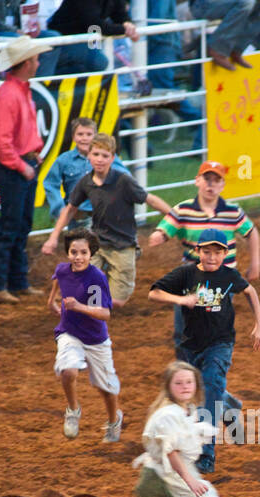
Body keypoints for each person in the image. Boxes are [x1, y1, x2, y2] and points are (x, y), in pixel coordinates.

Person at [148, 229, 260, 474]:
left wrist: (259, 325)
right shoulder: (186, 274)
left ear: (225, 253)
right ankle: (230, 406)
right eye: (207, 252)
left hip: (220, 344)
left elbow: (250, 291)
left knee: (208, 390)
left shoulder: (228, 275)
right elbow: (154, 292)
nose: (212, 258)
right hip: (190, 345)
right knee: (200, 391)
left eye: (217, 253)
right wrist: (180, 301)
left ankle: (206, 453)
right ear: (198, 252)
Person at [132, 361, 241, 497]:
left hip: (166, 477)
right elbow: (170, 450)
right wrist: (190, 480)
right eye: (179, 383)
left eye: (189, 382)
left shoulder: (185, 410)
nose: (185, 386)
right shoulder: (169, 414)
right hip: (162, 481)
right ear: (169, 387)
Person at [41, 133, 173, 307]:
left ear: (113, 158)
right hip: (97, 242)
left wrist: (174, 215)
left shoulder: (123, 181)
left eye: (105, 156)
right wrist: (53, 237)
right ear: (88, 156)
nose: (100, 160)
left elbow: (150, 199)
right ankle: (80, 300)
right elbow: (70, 209)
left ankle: (98, 299)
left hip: (123, 244)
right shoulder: (86, 183)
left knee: (117, 302)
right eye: (96, 154)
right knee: (81, 281)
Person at [150, 159, 260, 351]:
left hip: (223, 276)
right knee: (184, 328)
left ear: (223, 184)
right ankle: (188, 371)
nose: (211, 184)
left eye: (216, 180)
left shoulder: (232, 212)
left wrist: (255, 262)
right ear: (197, 181)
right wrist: (159, 235)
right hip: (192, 276)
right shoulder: (183, 209)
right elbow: (167, 227)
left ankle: (211, 360)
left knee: (217, 326)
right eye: (207, 178)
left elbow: (251, 231)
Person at [0, 37, 50, 304]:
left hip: (22, 164)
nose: (38, 62)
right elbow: (1, 142)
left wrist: (34, 153)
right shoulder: (10, 95)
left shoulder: (18, 91)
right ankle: (0, 283)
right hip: (16, 167)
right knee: (12, 225)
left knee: (19, 224)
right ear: (24, 64)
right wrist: (24, 165)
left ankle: (14, 281)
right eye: (34, 59)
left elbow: (6, 138)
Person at [48, 228, 123, 442]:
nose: (78, 257)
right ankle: (73, 410)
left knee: (106, 389)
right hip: (69, 332)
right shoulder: (63, 270)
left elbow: (104, 313)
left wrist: (78, 306)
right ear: (67, 253)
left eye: (83, 253)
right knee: (68, 371)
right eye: (74, 252)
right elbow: (58, 278)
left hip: (96, 340)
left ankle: (113, 420)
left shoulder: (96, 278)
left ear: (92, 254)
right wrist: (51, 300)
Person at [42, 117, 131, 232]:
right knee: (80, 246)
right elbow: (50, 183)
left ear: (95, 137)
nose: (84, 138)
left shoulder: (105, 156)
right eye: (80, 134)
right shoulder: (64, 160)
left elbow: (125, 176)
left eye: (89, 134)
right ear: (73, 137)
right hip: (77, 216)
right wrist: (59, 208)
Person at [47, 0, 137, 75]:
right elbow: (95, 25)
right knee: (99, 62)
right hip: (63, 42)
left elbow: (120, 13)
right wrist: (125, 29)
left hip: (83, 41)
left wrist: (127, 23)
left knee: (97, 62)